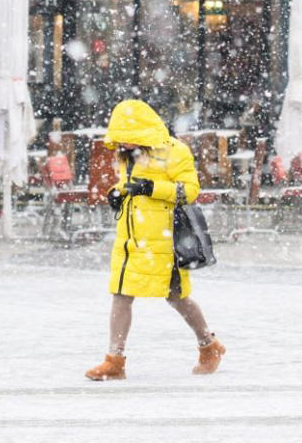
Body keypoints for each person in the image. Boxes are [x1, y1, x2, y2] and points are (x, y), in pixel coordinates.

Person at [85, 99, 225, 381]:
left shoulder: (175, 152)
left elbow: (190, 191)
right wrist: (117, 192)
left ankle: (208, 345)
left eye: (126, 138)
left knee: (177, 298)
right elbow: (128, 185)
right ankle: (115, 360)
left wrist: (152, 188)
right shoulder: (128, 155)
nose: (121, 144)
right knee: (121, 295)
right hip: (130, 239)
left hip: (165, 243)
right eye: (118, 139)